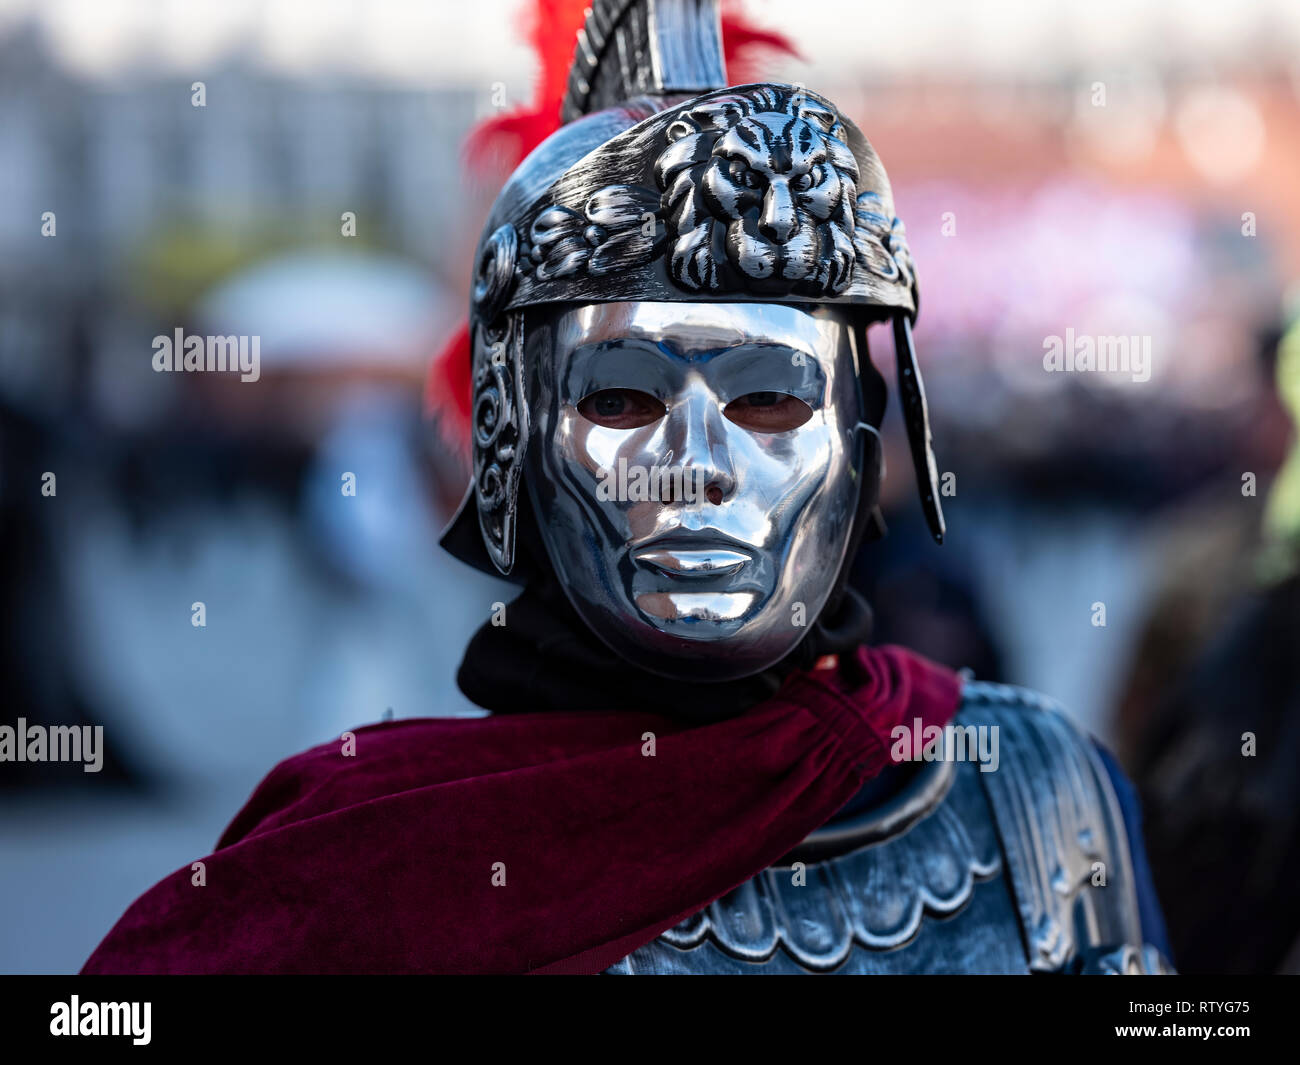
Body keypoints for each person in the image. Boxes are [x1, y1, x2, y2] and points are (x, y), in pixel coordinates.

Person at [83, 0, 1169, 975]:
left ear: (860, 433)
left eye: (767, 400)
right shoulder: (350, 855)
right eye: (620, 401)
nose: (695, 464)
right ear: (512, 438)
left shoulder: (1031, 797)